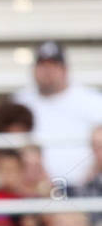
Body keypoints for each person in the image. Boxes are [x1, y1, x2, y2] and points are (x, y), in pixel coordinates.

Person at [13, 41, 102, 189]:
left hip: (87, 188)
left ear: (65, 69)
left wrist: (93, 172)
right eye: (42, 65)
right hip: (35, 190)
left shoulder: (92, 100)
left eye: (53, 65)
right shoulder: (20, 101)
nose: (47, 71)